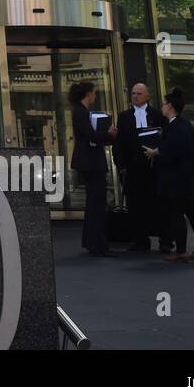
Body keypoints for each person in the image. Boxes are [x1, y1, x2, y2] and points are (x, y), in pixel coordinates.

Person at [145, 89, 194, 263]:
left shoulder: (174, 128)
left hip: (177, 181)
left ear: (170, 106)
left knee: (177, 214)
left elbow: (171, 151)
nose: (162, 107)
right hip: (190, 178)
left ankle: (181, 251)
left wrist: (155, 152)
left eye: (164, 104)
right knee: (193, 214)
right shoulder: (186, 125)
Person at [113, 82, 168, 251]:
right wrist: (121, 165)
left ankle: (165, 240)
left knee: (158, 204)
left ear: (147, 96)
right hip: (133, 167)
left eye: (138, 93)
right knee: (135, 205)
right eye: (133, 93)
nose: (135, 96)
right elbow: (119, 143)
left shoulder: (157, 115)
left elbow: (165, 139)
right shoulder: (124, 116)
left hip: (153, 167)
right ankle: (140, 240)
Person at [69, 81, 118, 257]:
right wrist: (109, 135)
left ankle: (92, 242)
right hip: (91, 162)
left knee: (94, 203)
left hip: (88, 161)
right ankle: (97, 243)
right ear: (88, 94)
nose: (95, 96)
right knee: (97, 203)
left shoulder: (81, 112)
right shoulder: (81, 113)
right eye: (94, 93)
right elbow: (91, 135)